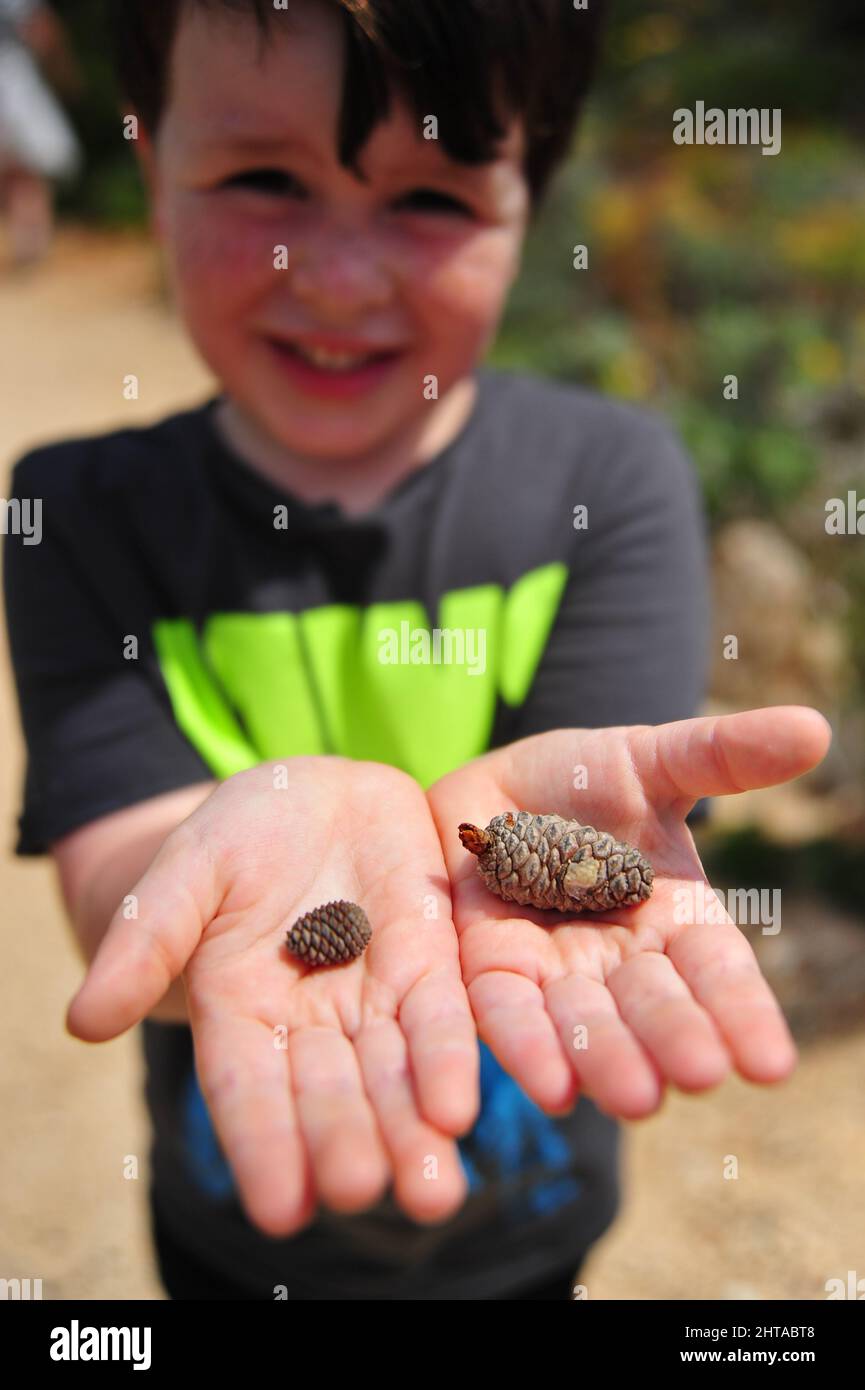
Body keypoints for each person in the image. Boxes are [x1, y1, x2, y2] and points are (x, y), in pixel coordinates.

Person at [2, 0, 830, 1301]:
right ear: (146, 160)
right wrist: (220, 877)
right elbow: (117, 883)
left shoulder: (609, 476)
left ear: (529, 202)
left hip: (533, 1210)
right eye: (263, 177)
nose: (340, 276)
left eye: (431, 198)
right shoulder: (74, 507)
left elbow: (609, 827)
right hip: (232, 1221)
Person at [0, 0, 82, 267]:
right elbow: (38, 25)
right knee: (29, 167)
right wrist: (62, 68)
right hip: (11, 81)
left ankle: (27, 247)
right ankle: (31, 248)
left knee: (14, 171)